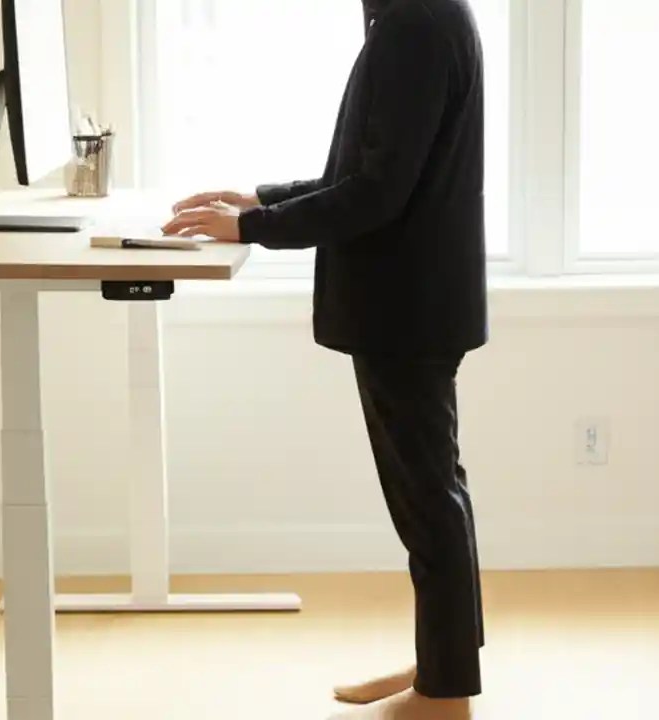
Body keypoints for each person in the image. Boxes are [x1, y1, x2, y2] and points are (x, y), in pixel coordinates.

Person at [162, 0, 487, 718]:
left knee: (428, 500)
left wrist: (255, 225)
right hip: (422, 302)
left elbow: (377, 192)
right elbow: (374, 170)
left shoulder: (413, 27)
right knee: (436, 492)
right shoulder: (427, 16)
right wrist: (261, 199)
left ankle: (445, 694)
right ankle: (444, 666)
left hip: (407, 309)